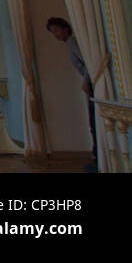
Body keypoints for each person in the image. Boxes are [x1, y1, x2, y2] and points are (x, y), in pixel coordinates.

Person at [46, 16, 97, 171]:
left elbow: (88, 64)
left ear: (65, 29)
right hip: (90, 84)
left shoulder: (73, 43)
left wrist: (85, 83)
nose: (55, 35)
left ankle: (97, 159)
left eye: (56, 31)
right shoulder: (70, 43)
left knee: (93, 123)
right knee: (92, 123)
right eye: (52, 32)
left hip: (91, 85)